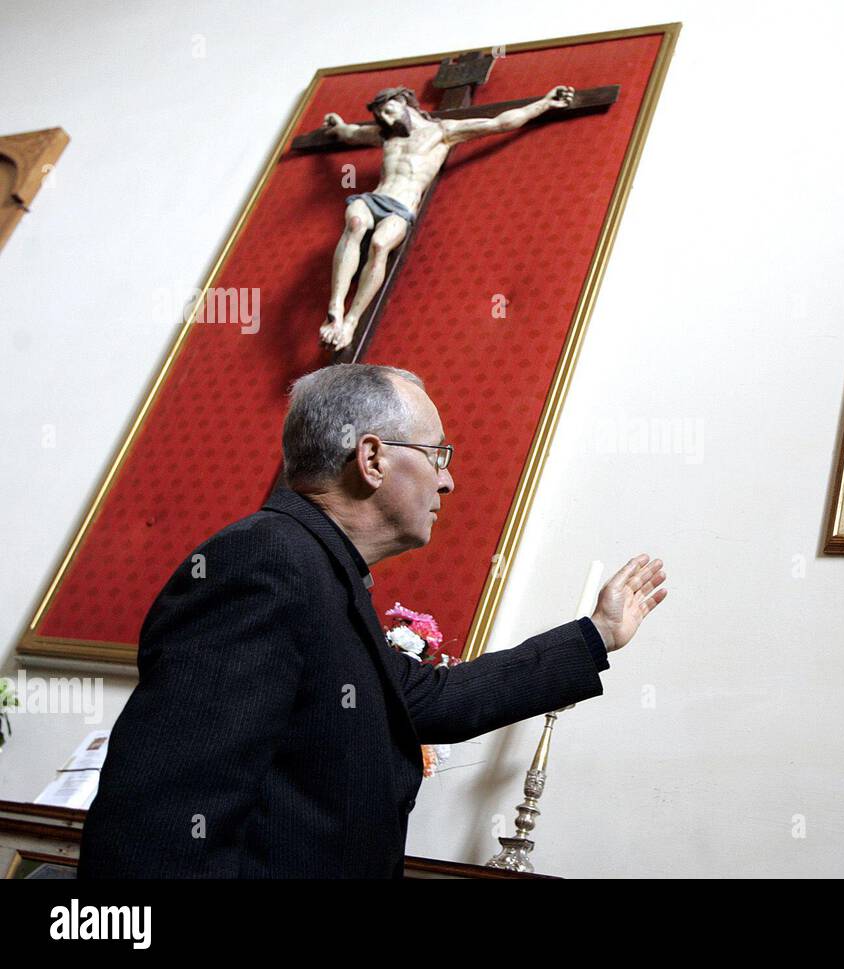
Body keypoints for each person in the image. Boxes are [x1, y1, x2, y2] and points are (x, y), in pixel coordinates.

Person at [78, 364, 667, 878]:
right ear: (372, 458)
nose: (448, 479)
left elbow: (433, 701)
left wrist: (597, 635)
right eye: (437, 454)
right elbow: (161, 816)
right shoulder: (264, 562)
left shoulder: (319, 574)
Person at [317, 84, 575, 351]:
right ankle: (335, 310)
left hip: (401, 207)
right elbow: (351, 133)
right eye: (380, 114)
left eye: (388, 109)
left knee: (380, 244)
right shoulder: (385, 136)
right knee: (356, 222)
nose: (384, 117)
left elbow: (499, 123)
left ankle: (350, 322)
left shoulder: (442, 131)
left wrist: (543, 103)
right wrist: (337, 126)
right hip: (373, 198)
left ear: (404, 102)